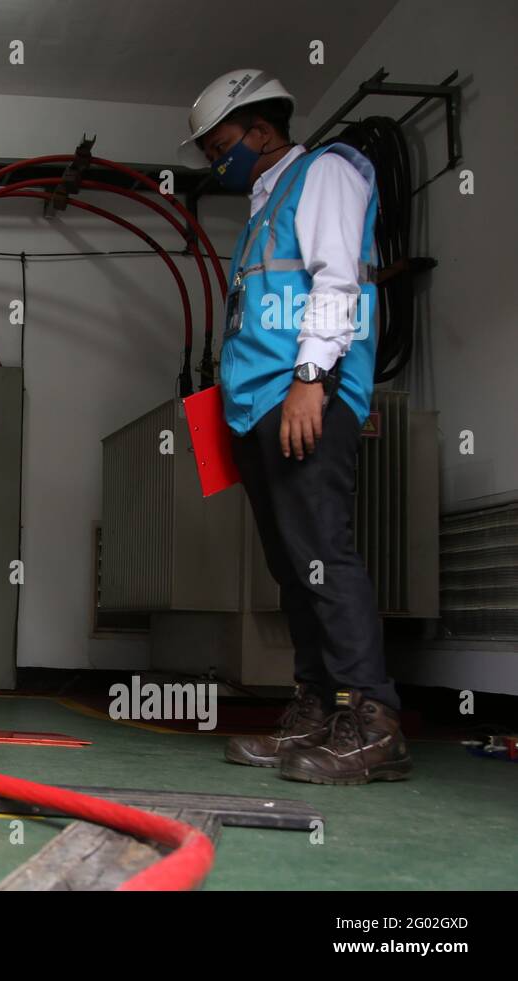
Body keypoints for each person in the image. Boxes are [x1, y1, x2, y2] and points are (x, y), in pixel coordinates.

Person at [178, 70, 411, 784]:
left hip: (304, 396)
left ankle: (372, 719)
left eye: (222, 147)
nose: (218, 162)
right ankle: (317, 706)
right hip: (257, 409)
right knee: (291, 565)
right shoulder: (263, 202)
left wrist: (311, 381)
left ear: (260, 130)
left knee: (323, 553)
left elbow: (337, 279)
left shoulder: (326, 172)